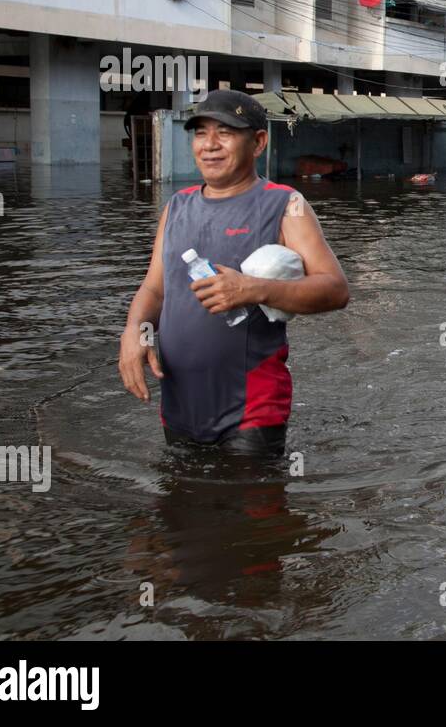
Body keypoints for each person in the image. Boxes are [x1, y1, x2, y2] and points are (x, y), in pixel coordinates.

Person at [118, 89, 349, 455]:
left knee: (255, 508)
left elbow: (336, 289)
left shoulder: (284, 204)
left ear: (257, 143)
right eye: (200, 132)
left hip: (251, 405)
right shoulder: (176, 208)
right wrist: (135, 331)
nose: (209, 145)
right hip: (180, 402)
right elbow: (155, 290)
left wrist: (253, 288)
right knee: (180, 504)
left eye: (224, 132)